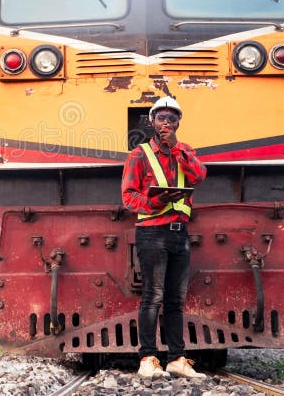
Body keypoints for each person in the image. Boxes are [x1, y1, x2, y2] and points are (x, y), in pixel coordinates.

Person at [121, 96, 207, 379]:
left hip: (180, 234)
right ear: (152, 122)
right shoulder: (138, 154)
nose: (166, 122)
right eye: (161, 118)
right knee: (152, 296)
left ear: (178, 122)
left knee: (175, 300)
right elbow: (128, 197)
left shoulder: (186, 151)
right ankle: (147, 358)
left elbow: (198, 176)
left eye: (171, 118)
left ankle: (176, 359)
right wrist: (155, 202)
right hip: (152, 233)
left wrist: (177, 150)